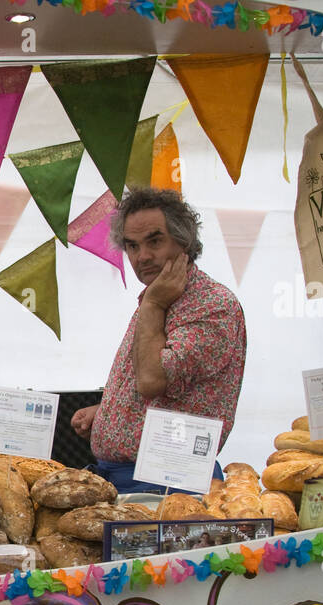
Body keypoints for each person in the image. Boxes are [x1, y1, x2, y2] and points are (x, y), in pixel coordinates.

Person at [71, 187, 247, 494]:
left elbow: (152, 380)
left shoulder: (211, 304)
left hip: (169, 485)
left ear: (185, 241)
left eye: (154, 241)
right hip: (128, 479)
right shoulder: (161, 297)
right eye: (132, 246)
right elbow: (168, 391)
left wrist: (153, 305)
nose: (143, 256)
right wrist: (110, 412)